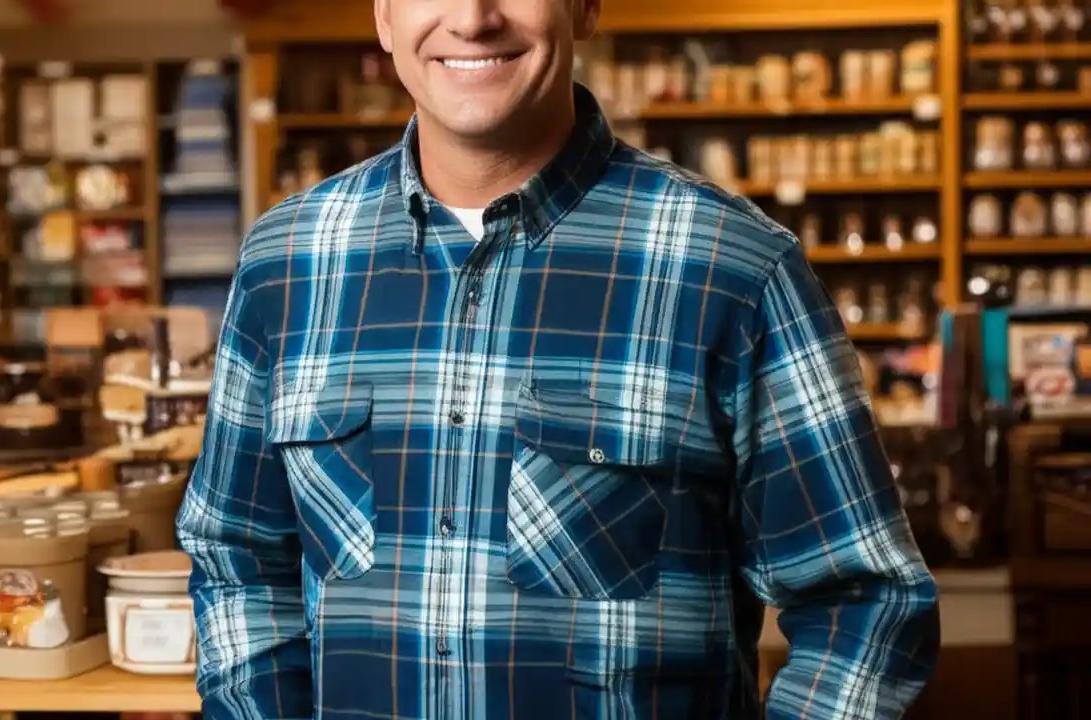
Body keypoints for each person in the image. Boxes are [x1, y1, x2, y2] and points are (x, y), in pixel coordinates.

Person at [176, 0, 941, 717]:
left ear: (585, 5)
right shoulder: (287, 261)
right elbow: (240, 559)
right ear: (382, 13)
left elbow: (865, 602)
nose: (473, 19)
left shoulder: (732, 267)